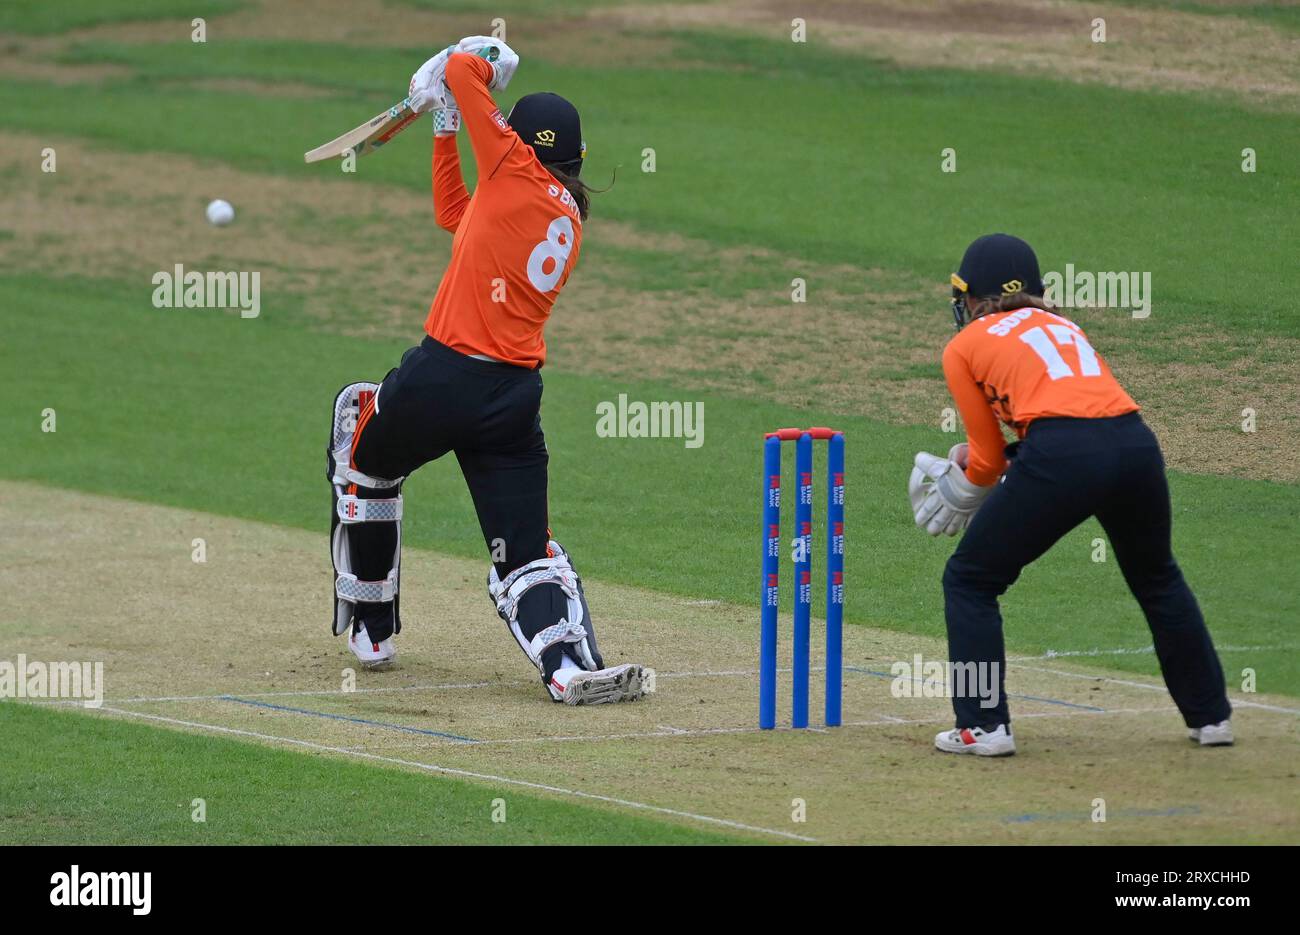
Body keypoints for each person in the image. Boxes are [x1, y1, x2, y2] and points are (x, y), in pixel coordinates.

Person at [325, 36, 647, 705]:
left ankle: (374, 632)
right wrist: (443, 120)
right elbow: (454, 213)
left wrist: (476, 61)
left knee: (362, 449)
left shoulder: (512, 168)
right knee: (526, 552)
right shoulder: (559, 207)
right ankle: (566, 669)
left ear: (520, 146)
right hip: (511, 399)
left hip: (443, 380)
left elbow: (469, 70)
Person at [909, 233, 1231, 755]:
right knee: (1157, 576)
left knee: (969, 579)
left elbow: (990, 460)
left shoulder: (963, 345)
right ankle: (1211, 717)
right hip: (1134, 444)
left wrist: (966, 480)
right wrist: (996, 462)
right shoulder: (1064, 324)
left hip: (1064, 456)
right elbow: (1074, 418)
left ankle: (984, 726)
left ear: (971, 297)